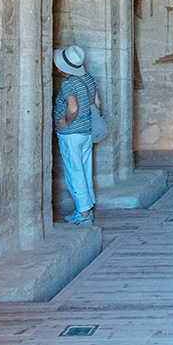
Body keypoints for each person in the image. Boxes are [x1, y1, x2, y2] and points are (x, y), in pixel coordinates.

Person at [53, 45, 102, 225]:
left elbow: (72, 107)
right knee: (85, 169)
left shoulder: (67, 84)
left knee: (75, 172)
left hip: (71, 133)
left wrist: (66, 121)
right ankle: (87, 208)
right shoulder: (88, 78)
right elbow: (97, 103)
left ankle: (83, 214)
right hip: (86, 132)